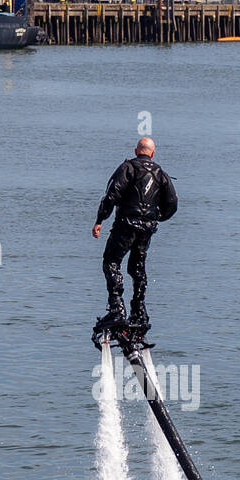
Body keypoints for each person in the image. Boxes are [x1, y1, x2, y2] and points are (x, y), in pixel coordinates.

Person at [92, 137, 178, 333]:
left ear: (135, 151)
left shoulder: (127, 168)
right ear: (153, 153)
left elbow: (111, 195)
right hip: (146, 229)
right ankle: (139, 312)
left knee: (111, 263)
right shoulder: (161, 174)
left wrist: (99, 220)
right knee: (137, 268)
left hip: (126, 225)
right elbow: (172, 203)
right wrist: (156, 218)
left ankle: (117, 309)